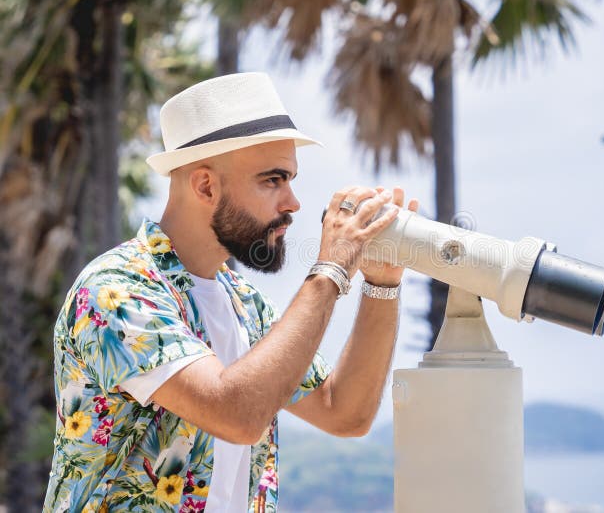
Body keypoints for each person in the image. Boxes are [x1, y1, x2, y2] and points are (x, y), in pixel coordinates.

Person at [43, 72, 418, 513]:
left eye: (291, 179)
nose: (293, 202)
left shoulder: (243, 303)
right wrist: (330, 270)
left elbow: (344, 411)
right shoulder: (116, 291)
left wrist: (381, 283)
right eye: (273, 179)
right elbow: (235, 415)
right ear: (205, 185)